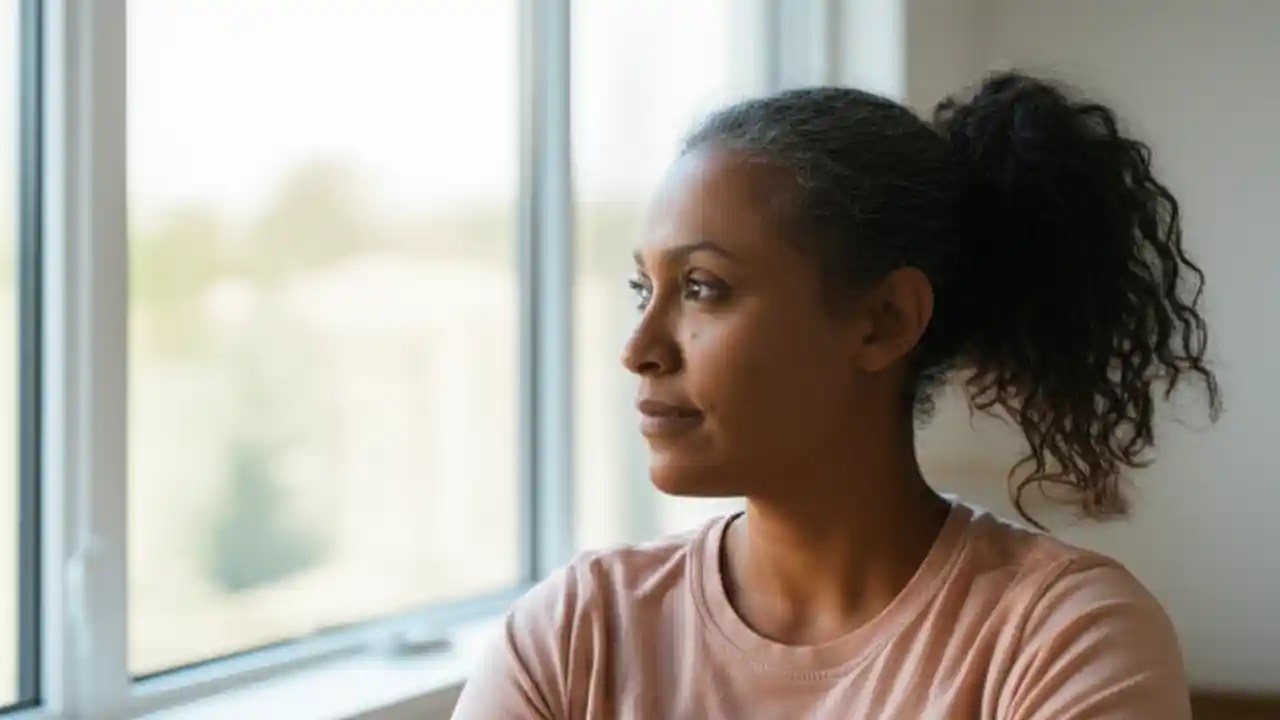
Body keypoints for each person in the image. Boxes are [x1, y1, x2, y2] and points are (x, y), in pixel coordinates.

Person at [452, 72, 1220, 719]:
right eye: (641, 288)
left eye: (701, 288)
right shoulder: (575, 633)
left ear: (884, 322)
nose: (639, 349)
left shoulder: (1066, 640)